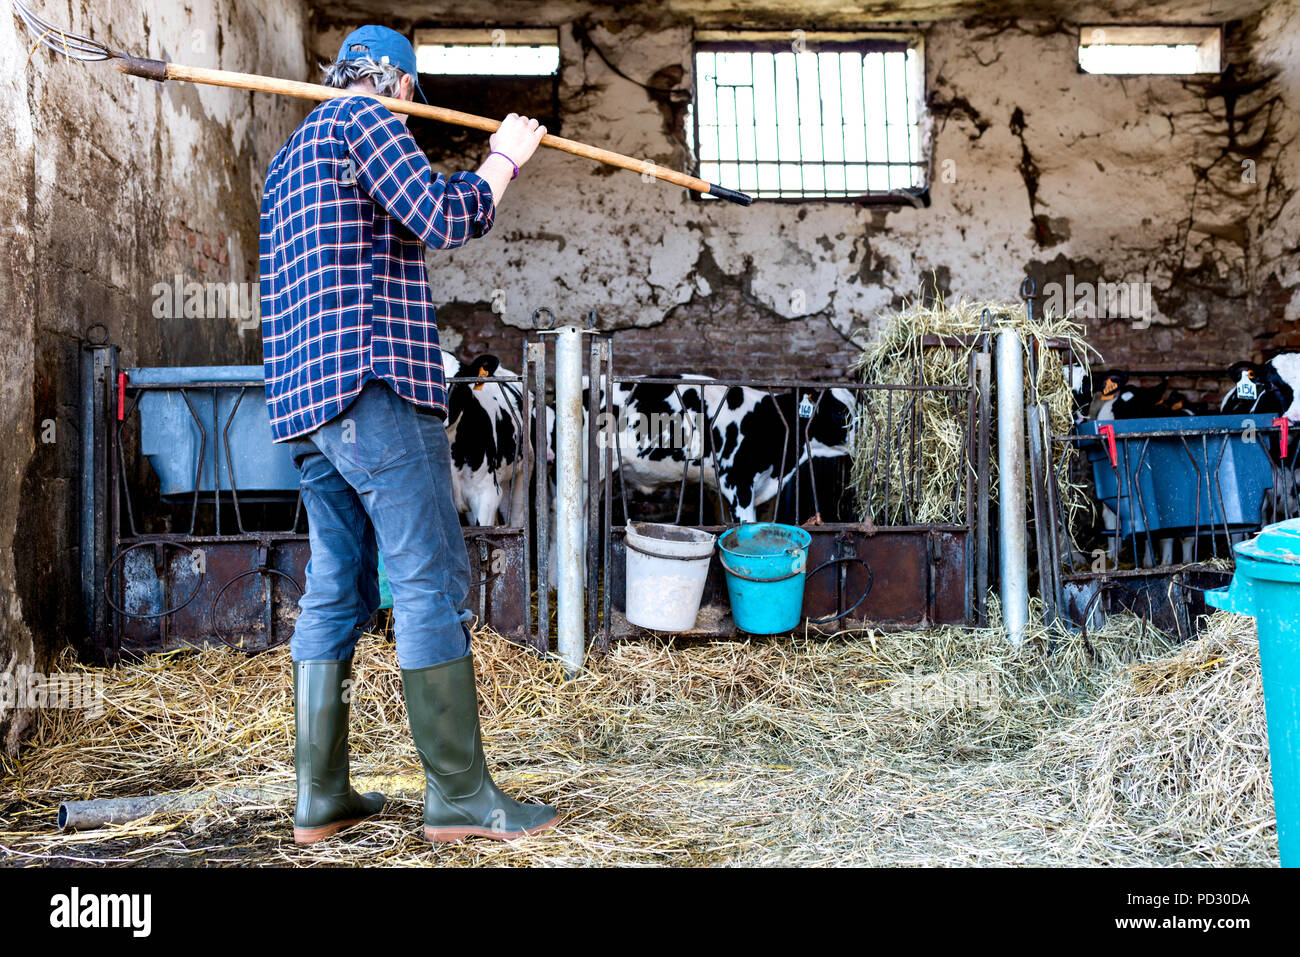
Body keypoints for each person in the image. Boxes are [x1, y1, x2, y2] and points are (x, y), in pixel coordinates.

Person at [259, 24, 559, 845]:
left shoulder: (290, 158)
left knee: (337, 588)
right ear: (394, 82)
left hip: (307, 405)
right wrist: (504, 156)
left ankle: (320, 797)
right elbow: (437, 215)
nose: (408, 110)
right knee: (430, 577)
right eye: (410, 97)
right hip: (377, 390)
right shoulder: (365, 123)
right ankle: (461, 797)